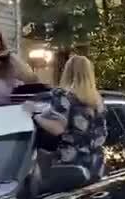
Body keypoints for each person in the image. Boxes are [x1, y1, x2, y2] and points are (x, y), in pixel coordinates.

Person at [23, 55, 107, 190]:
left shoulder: (64, 97)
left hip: (70, 170)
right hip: (96, 169)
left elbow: (57, 128)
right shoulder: (98, 101)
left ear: (67, 72)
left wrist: (34, 115)